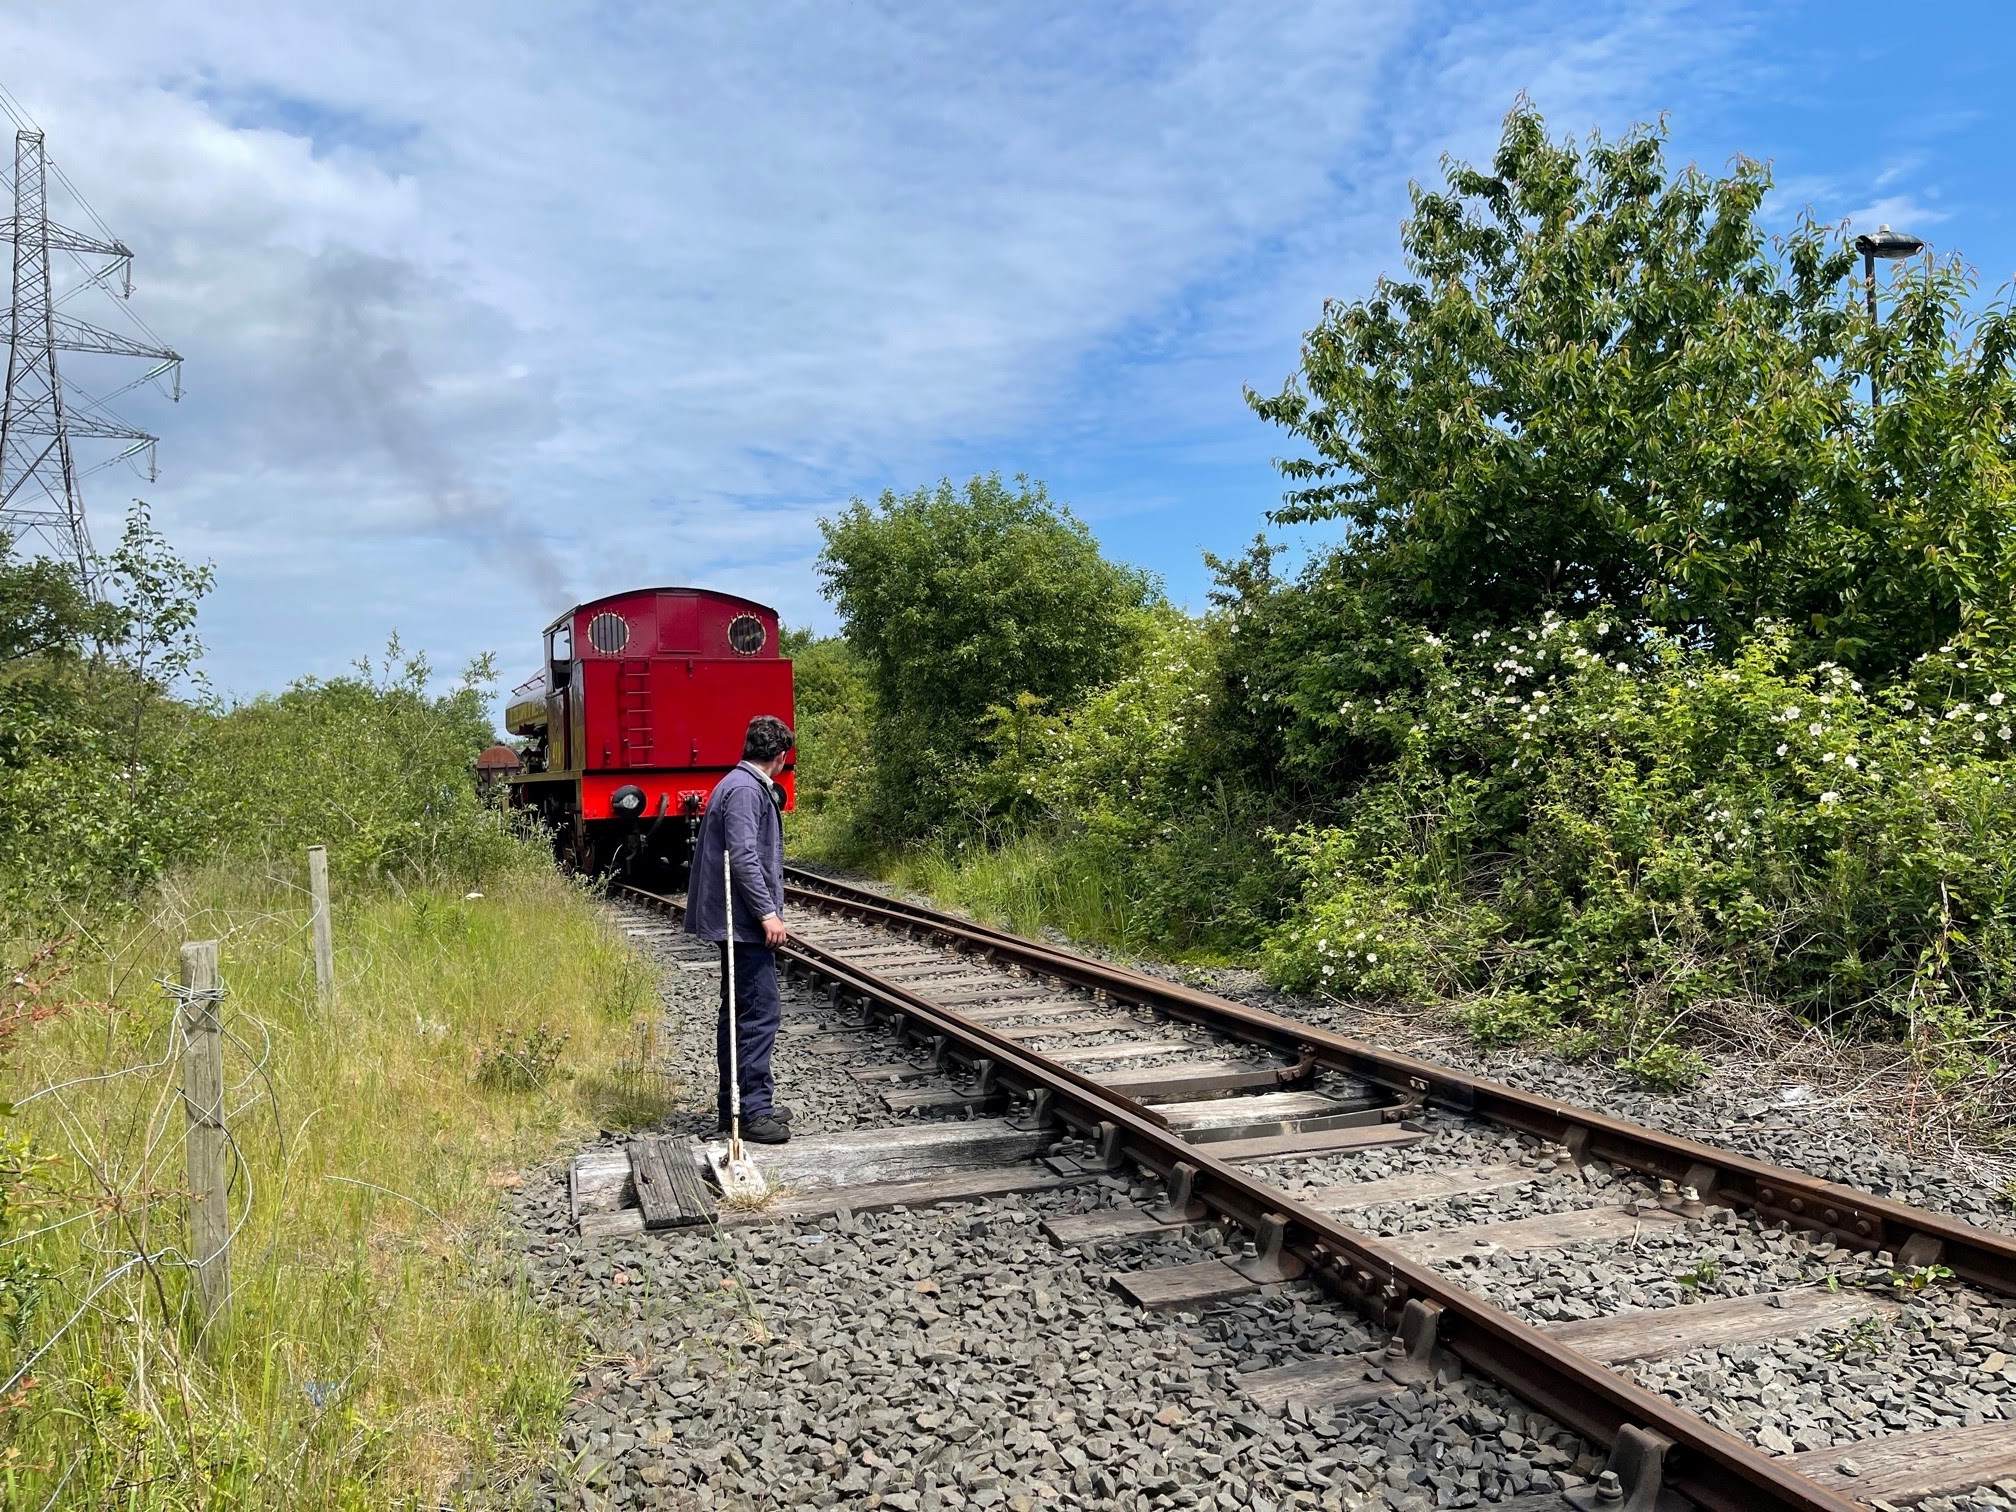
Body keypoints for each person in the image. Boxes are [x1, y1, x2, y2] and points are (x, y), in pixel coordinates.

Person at [685, 714, 795, 1144]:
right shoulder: (748, 791)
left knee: (739, 1013)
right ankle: (751, 1111)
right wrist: (768, 913)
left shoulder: (735, 784)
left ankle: (740, 1102)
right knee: (758, 1012)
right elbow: (745, 857)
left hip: (736, 920)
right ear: (780, 757)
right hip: (742, 923)